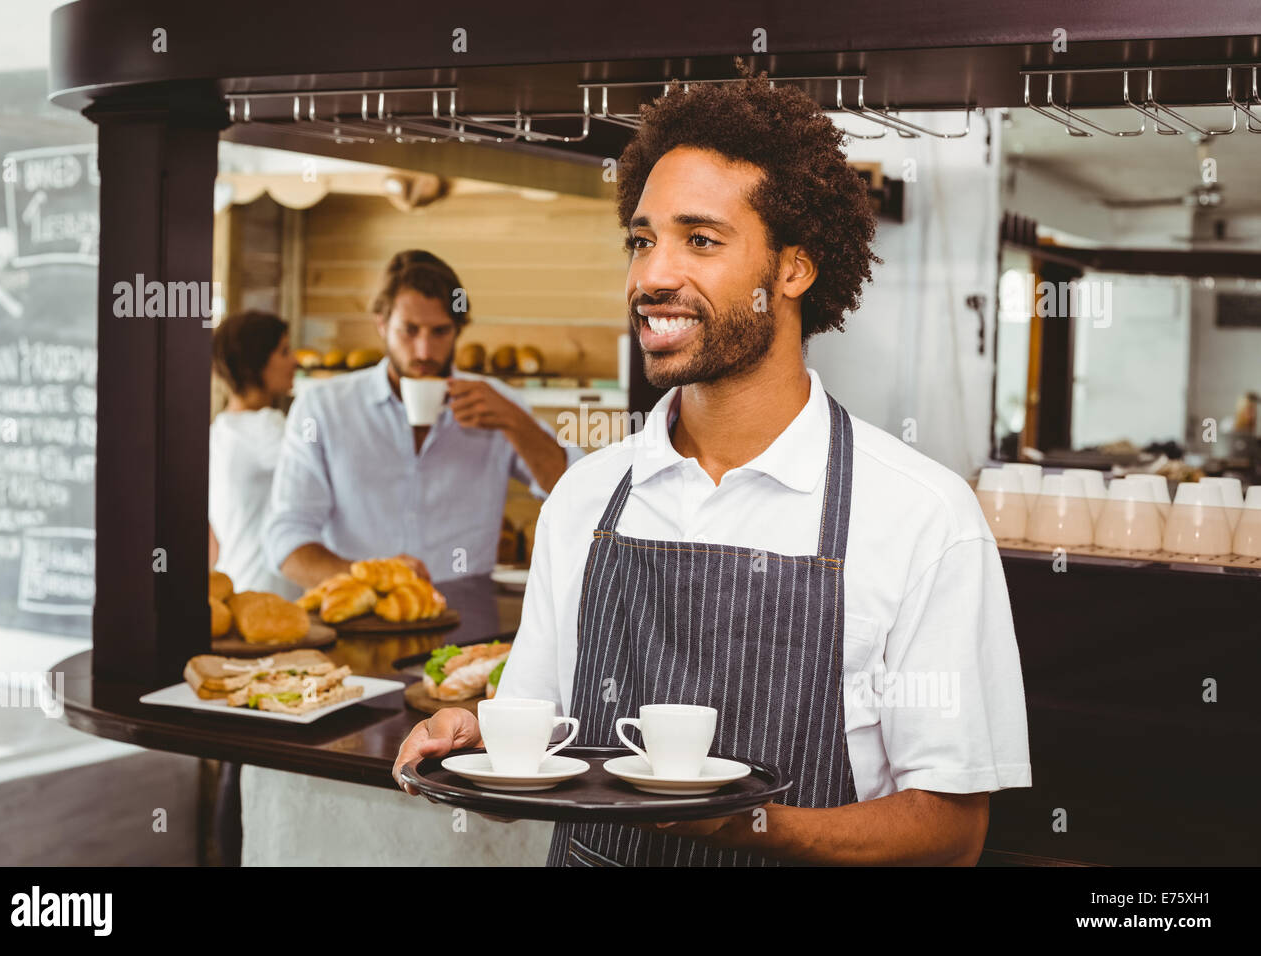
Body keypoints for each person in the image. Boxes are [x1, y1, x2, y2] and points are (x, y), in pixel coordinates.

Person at [395, 68, 1032, 866]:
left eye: (700, 239)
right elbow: (533, 746)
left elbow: (949, 834)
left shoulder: (922, 517)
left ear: (793, 270)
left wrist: (751, 826)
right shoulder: (587, 499)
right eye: (641, 239)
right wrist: (473, 741)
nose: (651, 277)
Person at [263, 250, 579, 587]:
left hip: (468, 622)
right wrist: (374, 580)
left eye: (440, 331)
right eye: (409, 330)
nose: (424, 351)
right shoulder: (323, 408)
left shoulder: (498, 403)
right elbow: (286, 537)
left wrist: (516, 422)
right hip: (358, 618)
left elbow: (574, 494)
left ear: (459, 329)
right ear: (382, 325)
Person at [208, 310, 298, 596]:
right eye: (284, 352)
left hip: (239, 584)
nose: (294, 360)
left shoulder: (220, 428)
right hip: (280, 593)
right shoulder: (266, 426)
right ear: (257, 362)